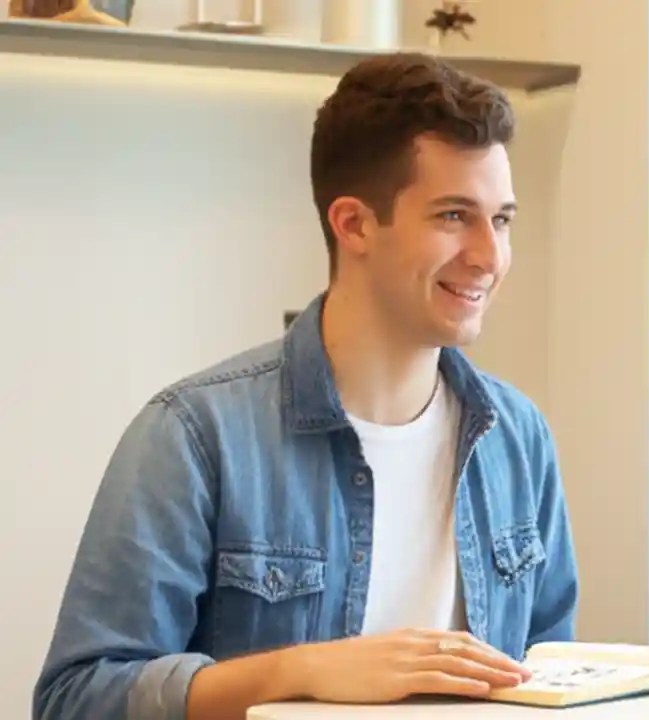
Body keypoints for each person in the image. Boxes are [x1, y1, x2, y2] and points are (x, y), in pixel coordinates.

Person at [33, 53, 578, 720]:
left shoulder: (518, 437)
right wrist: (302, 673)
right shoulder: (195, 436)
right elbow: (76, 699)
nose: (489, 257)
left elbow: (552, 682)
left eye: (502, 220)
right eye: (453, 216)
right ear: (353, 224)